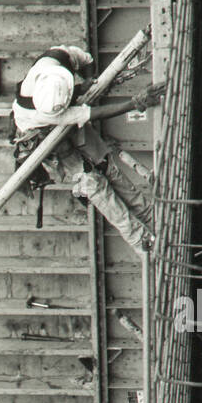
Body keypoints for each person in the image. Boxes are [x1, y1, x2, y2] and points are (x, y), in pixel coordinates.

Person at [10, 44, 163, 260]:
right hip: (49, 141)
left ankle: (156, 219)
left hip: (71, 126)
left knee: (108, 169)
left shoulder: (57, 57)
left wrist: (89, 85)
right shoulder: (45, 115)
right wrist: (134, 103)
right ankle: (144, 244)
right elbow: (95, 113)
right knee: (96, 185)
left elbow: (87, 61)